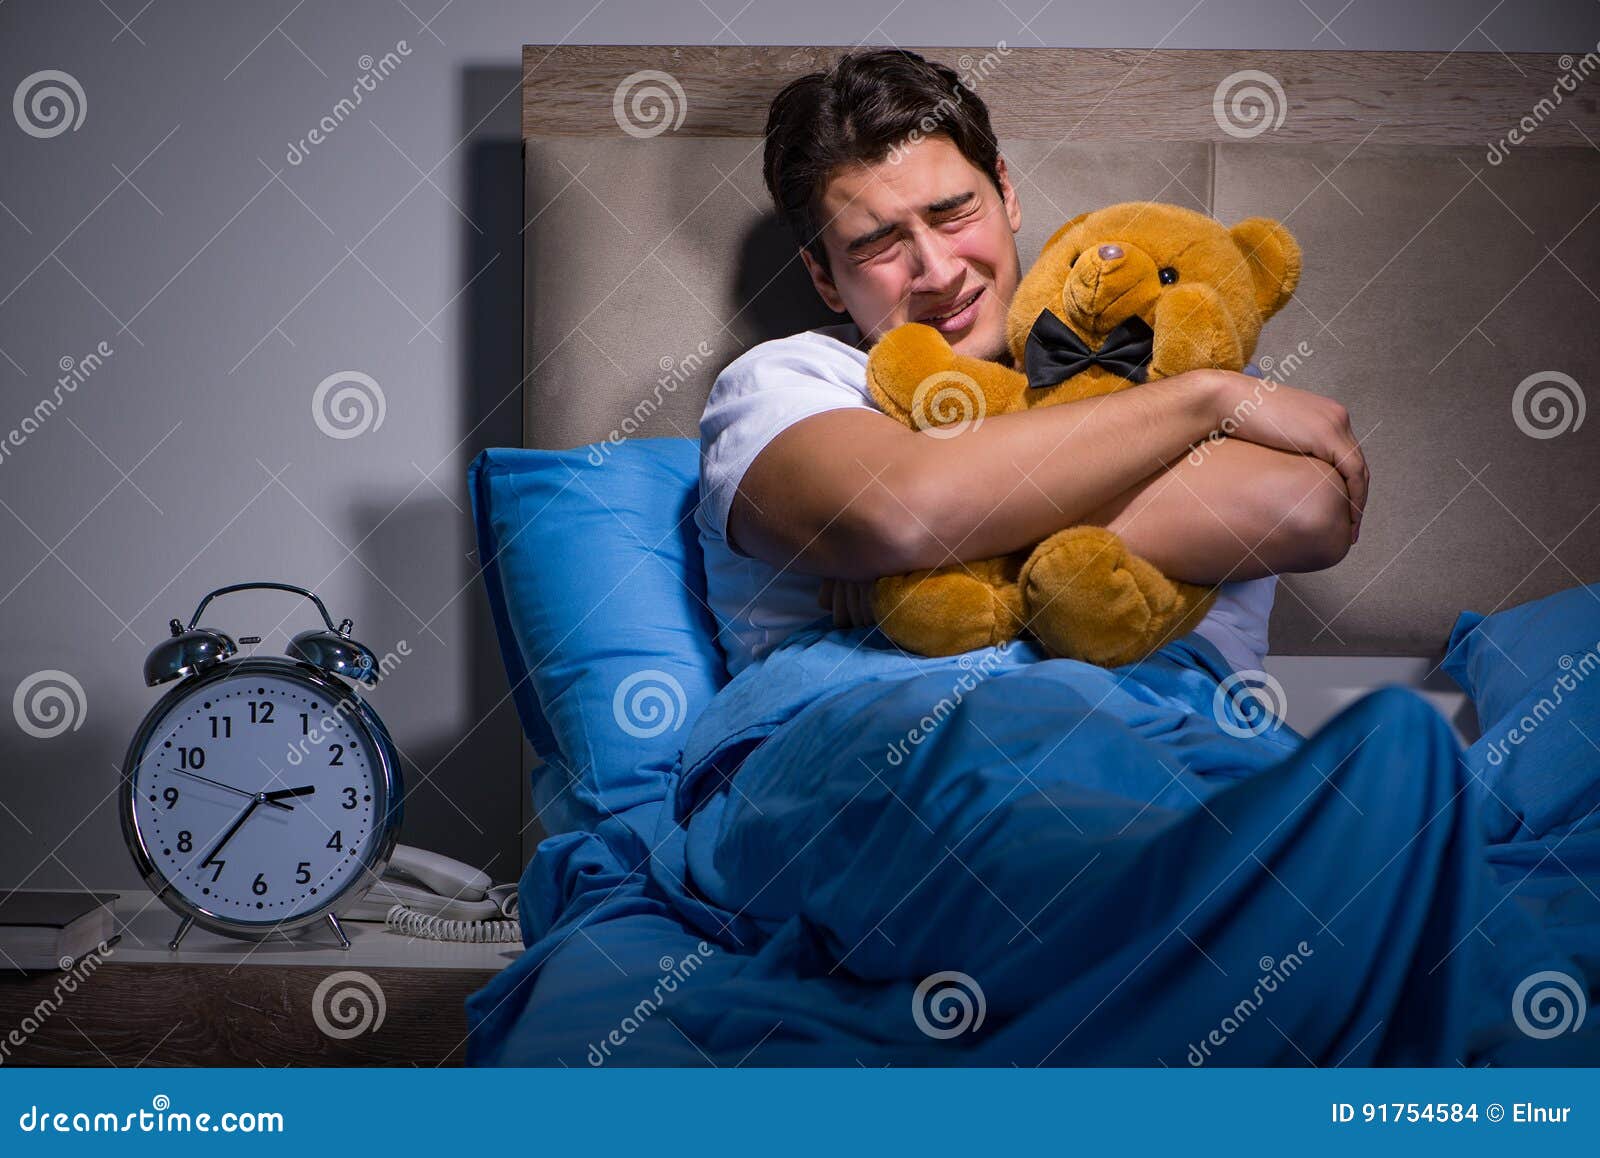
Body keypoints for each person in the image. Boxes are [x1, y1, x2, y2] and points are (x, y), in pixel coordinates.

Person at [697, 49, 1367, 677]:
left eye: (954, 213)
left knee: (1395, 730)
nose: (939, 271)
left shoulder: (1169, 360)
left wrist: (936, 542)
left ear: (1006, 193)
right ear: (825, 278)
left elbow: (1303, 510)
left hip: (1164, 728)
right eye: (877, 244)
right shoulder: (786, 381)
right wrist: (1205, 404)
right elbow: (898, 516)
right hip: (885, 732)